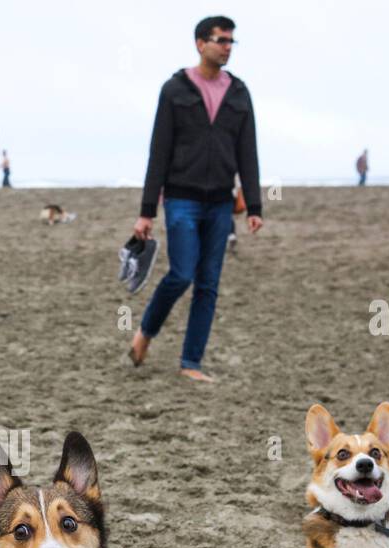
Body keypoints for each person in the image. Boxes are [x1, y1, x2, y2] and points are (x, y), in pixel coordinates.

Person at [127, 14, 263, 384]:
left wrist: (253, 204)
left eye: (232, 41)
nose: (227, 47)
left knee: (209, 283)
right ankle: (145, 333)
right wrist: (146, 212)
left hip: (220, 203)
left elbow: (247, 151)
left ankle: (191, 362)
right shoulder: (175, 89)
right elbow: (159, 151)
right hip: (181, 199)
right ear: (200, 43)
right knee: (182, 273)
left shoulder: (239, 92)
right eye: (221, 40)